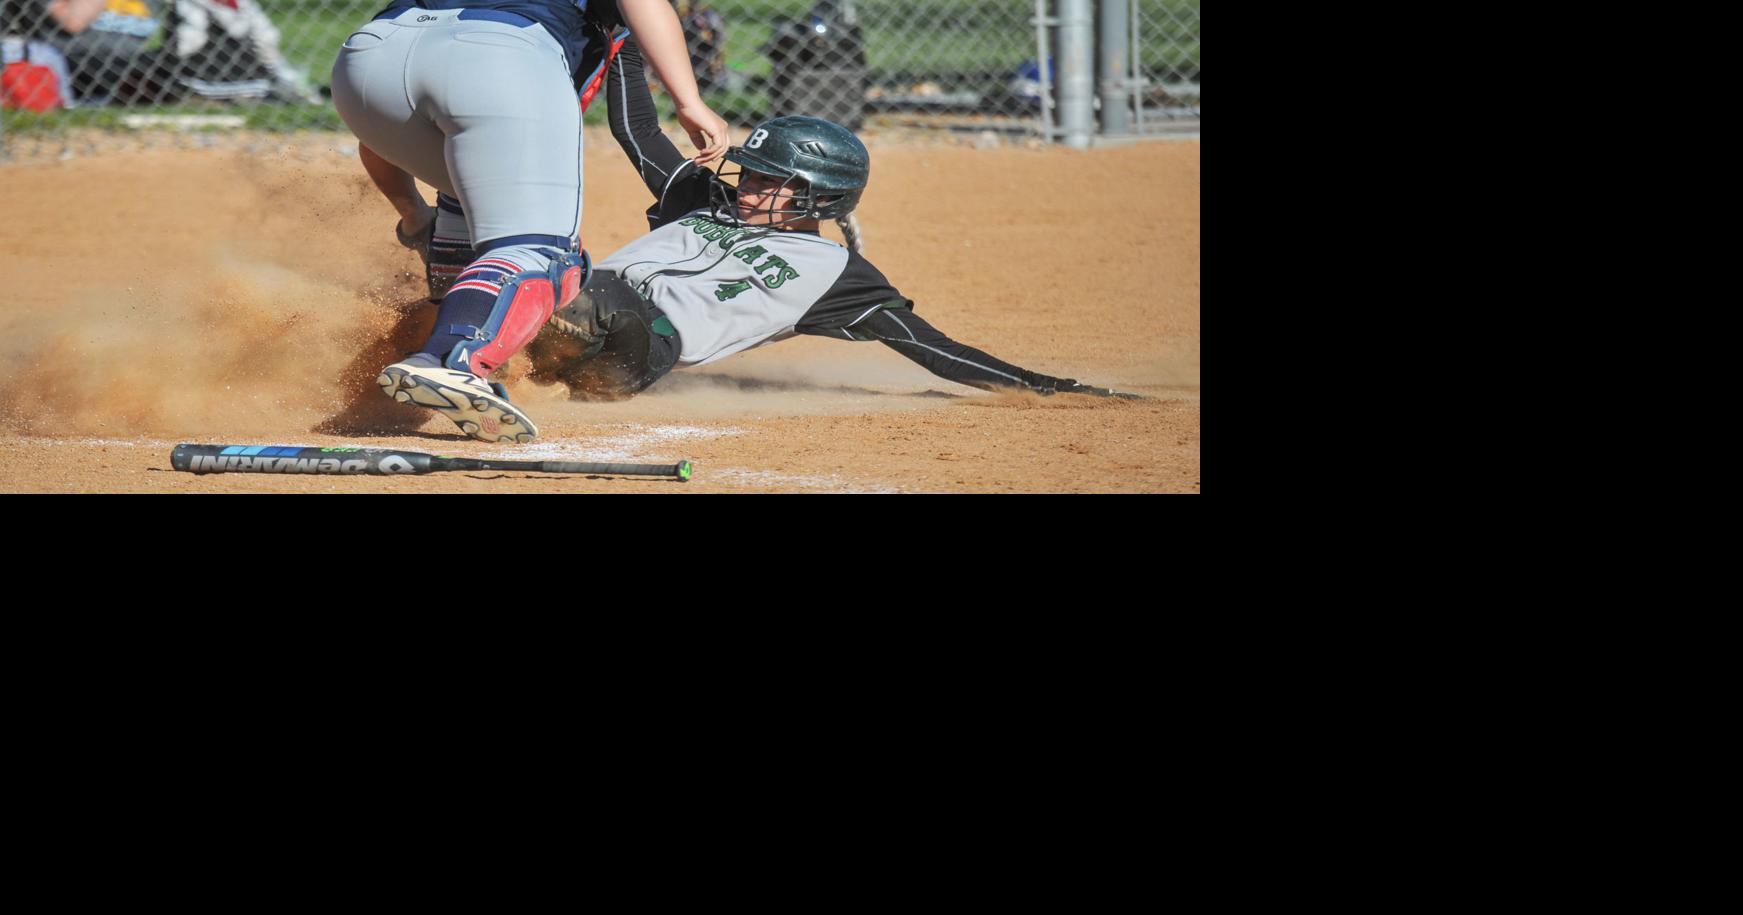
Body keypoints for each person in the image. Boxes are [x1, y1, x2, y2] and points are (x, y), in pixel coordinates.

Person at [513, 35, 1140, 408]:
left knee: (586, 294)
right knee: (526, 261)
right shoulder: (705, 198)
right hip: (587, 302)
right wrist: (622, 39)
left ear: (818, 197)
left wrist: (1052, 388)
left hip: (637, 342)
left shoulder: (836, 274)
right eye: (750, 172)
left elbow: (936, 351)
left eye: (768, 180)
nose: (748, 184)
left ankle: (507, 345)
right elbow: (637, 130)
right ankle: (488, 354)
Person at [331, 0, 729, 444]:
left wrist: (413, 215)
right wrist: (689, 101)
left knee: (471, 199)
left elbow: (379, 142)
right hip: (496, 52)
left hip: (368, 58)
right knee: (544, 253)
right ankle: (449, 360)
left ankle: (402, 363)